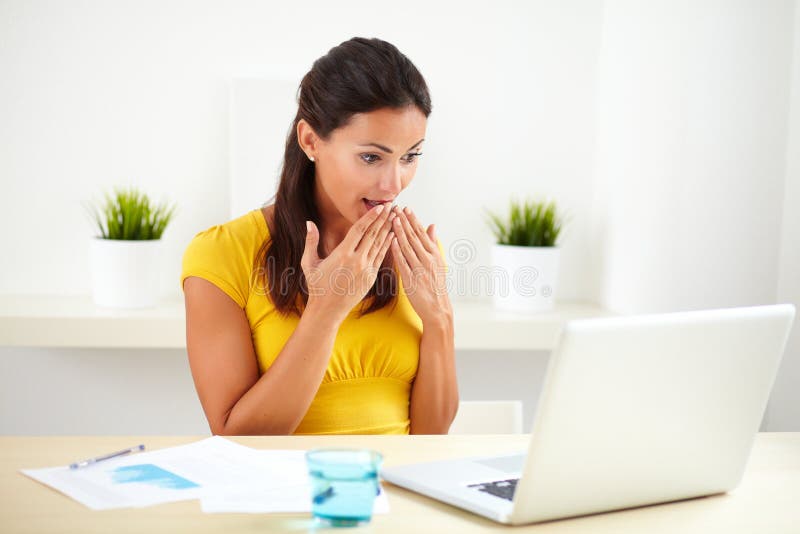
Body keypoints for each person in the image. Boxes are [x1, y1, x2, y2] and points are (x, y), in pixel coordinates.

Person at [180, 37, 458, 436]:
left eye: (410, 157)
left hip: (395, 492)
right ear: (310, 140)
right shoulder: (220, 255)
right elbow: (237, 440)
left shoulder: (417, 255)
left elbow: (431, 437)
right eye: (371, 157)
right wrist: (327, 310)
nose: (393, 183)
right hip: (280, 494)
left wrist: (439, 318)